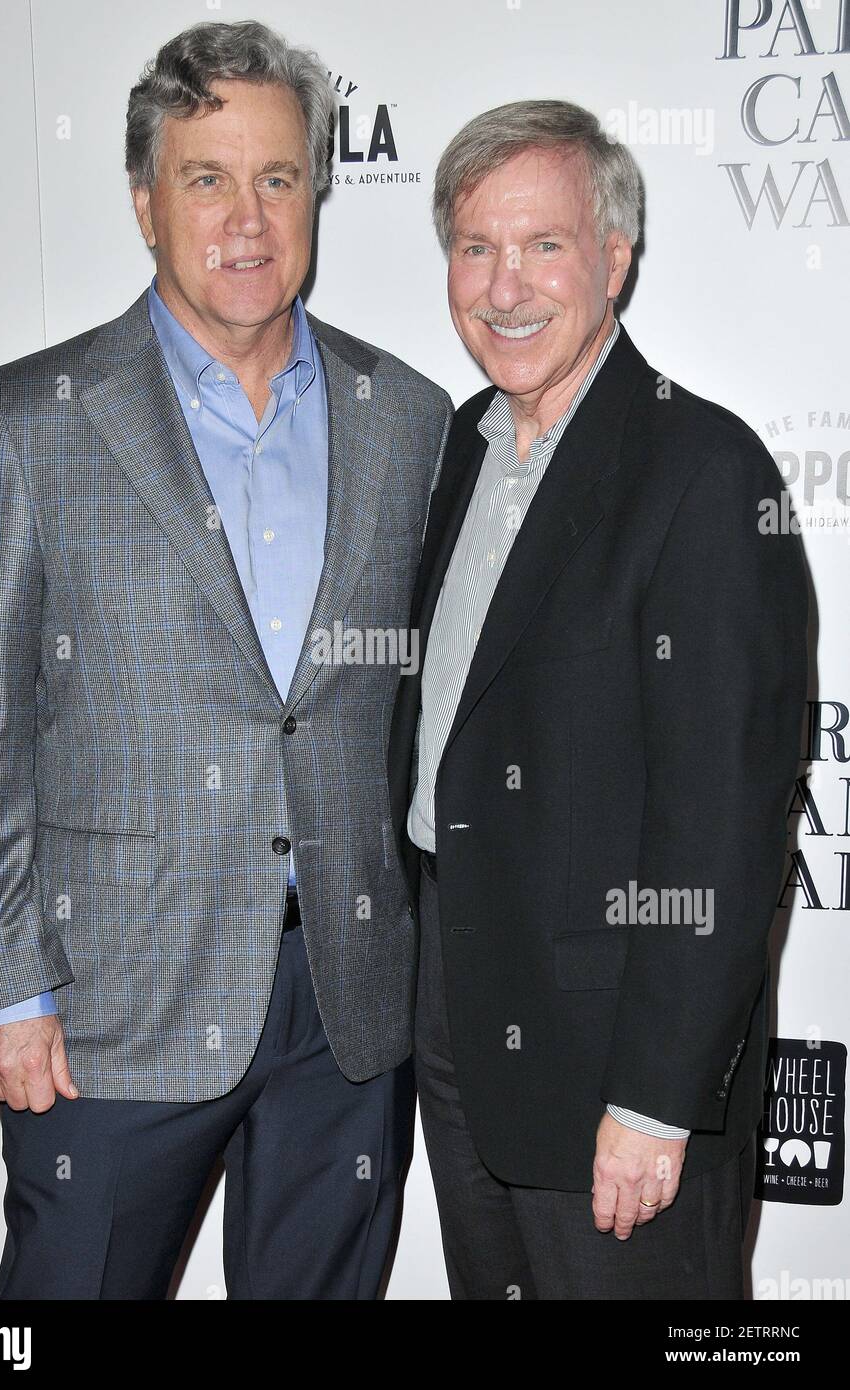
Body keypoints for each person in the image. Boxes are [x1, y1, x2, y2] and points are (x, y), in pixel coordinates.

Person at [0, 19, 451, 1300]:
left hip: (347, 1002)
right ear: (144, 202)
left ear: (316, 189)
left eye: (277, 177)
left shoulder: (413, 421)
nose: (247, 218)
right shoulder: (25, 419)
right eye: (206, 179)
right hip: (107, 1010)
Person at [387, 99, 807, 1300]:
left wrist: (655, 1098)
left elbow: (723, 828)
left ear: (614, 258)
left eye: (544, 246)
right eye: (475, 247)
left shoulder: (704, 471)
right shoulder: (468, 442)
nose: (503, 285)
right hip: (460, 1006)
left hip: (610, 1054)